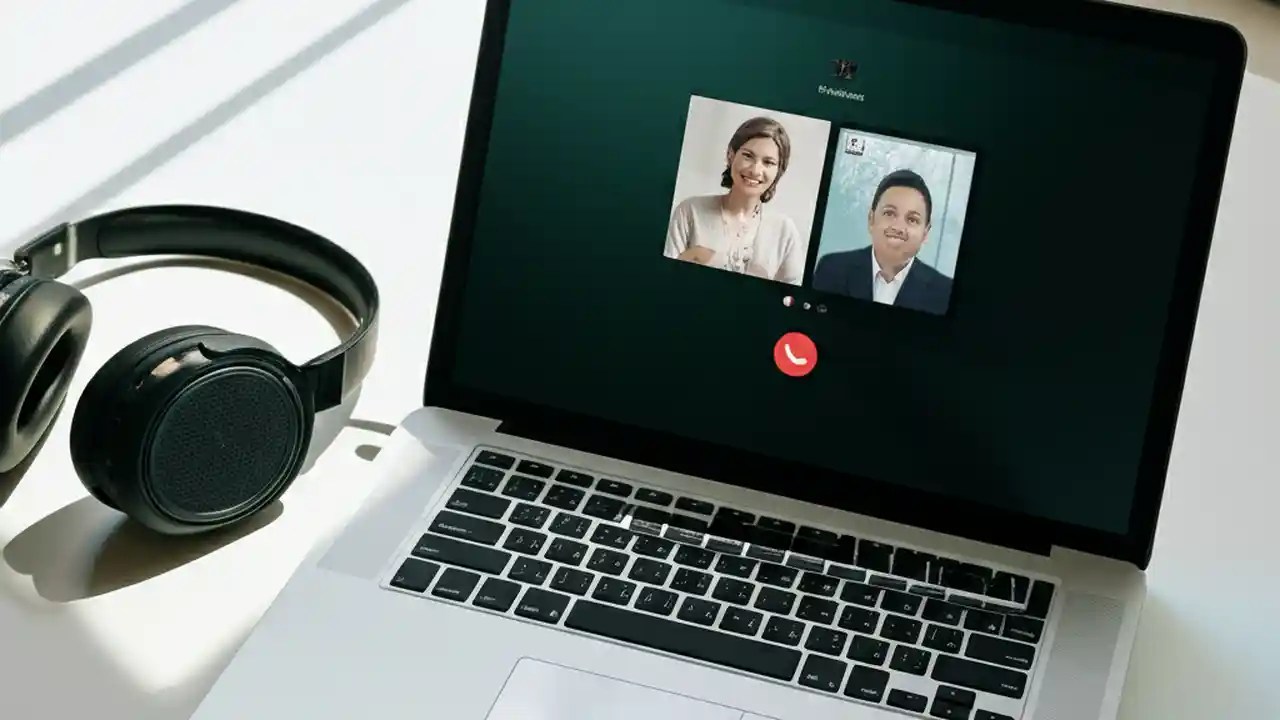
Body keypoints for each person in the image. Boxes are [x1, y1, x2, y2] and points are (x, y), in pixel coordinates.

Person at [664, 116, 805, 285]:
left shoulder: (785, 231)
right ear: (731, 155)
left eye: (768, 162)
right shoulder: (690, 211)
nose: (755, 170)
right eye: (748, 156)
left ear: (779, 171)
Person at [812, 168, 953, 315]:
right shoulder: (831, 269)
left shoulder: (945, 292)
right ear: (871, 219)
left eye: (912, 219)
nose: (898, 227)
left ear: (925, 233)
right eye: (889, 213)